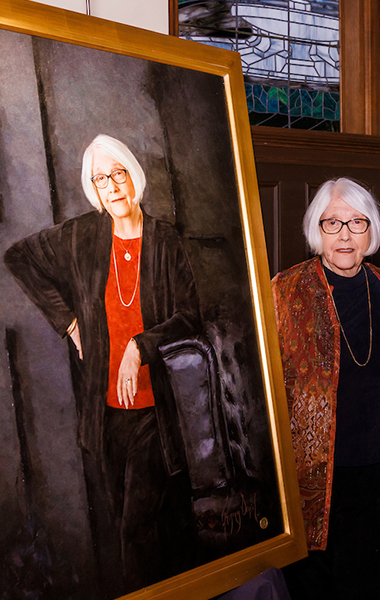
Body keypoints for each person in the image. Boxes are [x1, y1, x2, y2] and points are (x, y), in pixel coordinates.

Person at [4, 134, 201, 597]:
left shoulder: (164, 239)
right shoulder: (85, 235)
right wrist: (69, 323)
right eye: (100, 178)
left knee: (138, 529)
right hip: (107, 412)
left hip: (158, 410)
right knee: (126, 529)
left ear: (134, 177)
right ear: (93, 189)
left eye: (118, 173)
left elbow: (191, 316)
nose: (112, 186)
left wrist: (139, 346)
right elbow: (19, 257)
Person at [271, 178, 380, 599]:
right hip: (312, 477)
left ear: (371, 231)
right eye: (332, 223)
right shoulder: (284, 291)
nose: (344, 234)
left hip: (378, 472)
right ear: (315, 230)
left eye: (357, 223)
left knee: (370, 584)